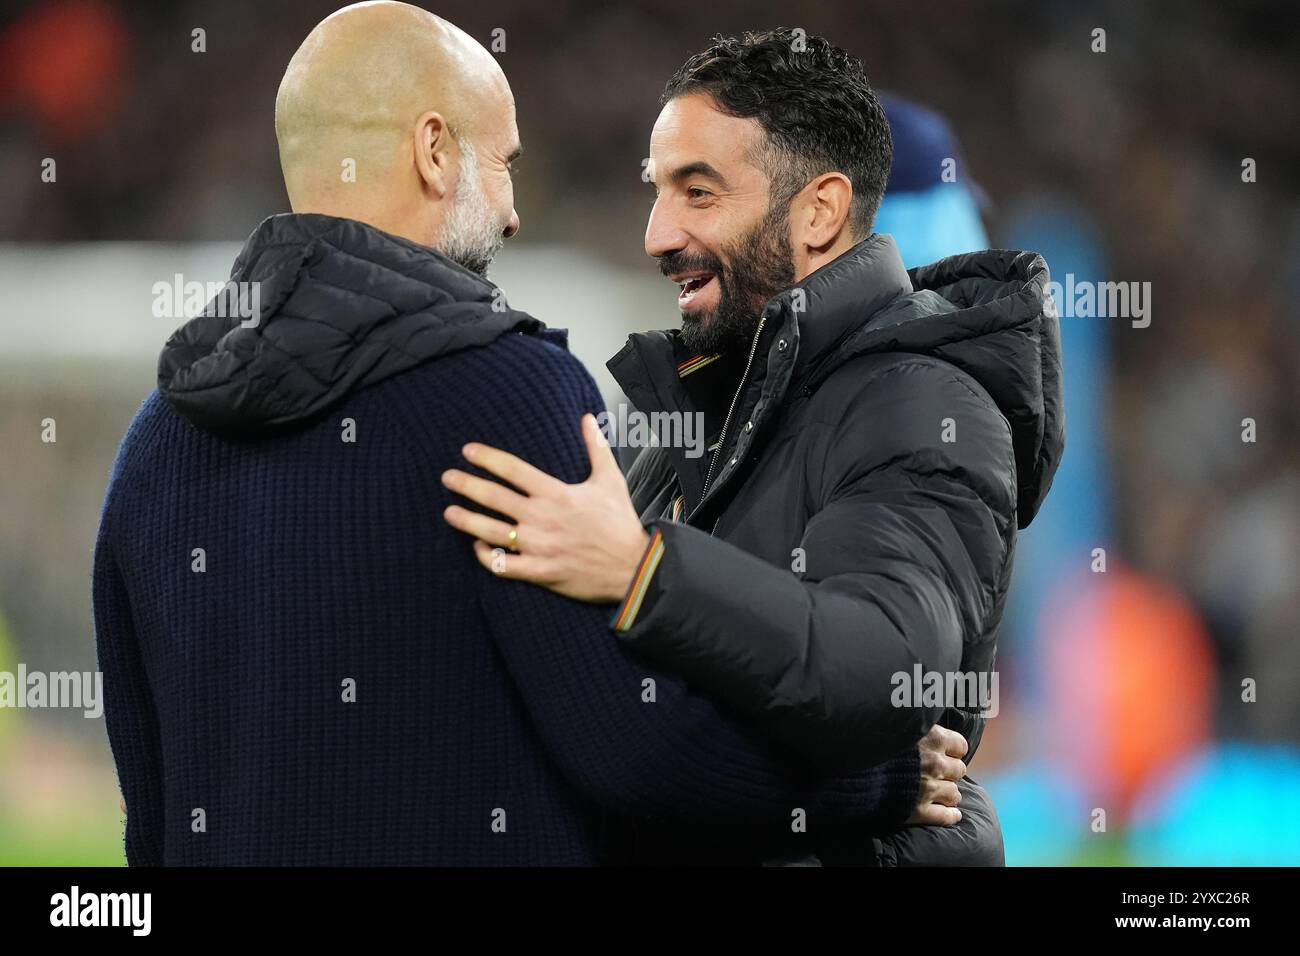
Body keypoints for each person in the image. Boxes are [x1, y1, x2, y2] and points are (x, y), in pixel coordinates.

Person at [94, 3, 961, 866]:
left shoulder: (155, 443)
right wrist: (878, 782)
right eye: (503, 163)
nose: (512, 214)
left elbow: (150, 814)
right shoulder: (503, 396)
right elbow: (637, 748)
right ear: (435, 152)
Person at [443, 28, 1066, 865]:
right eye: (657, 191)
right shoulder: (697, 396)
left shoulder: (926, 402)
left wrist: (643, 572)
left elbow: (882, 670)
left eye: (698, 193)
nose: (656, 233)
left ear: (819, 210)